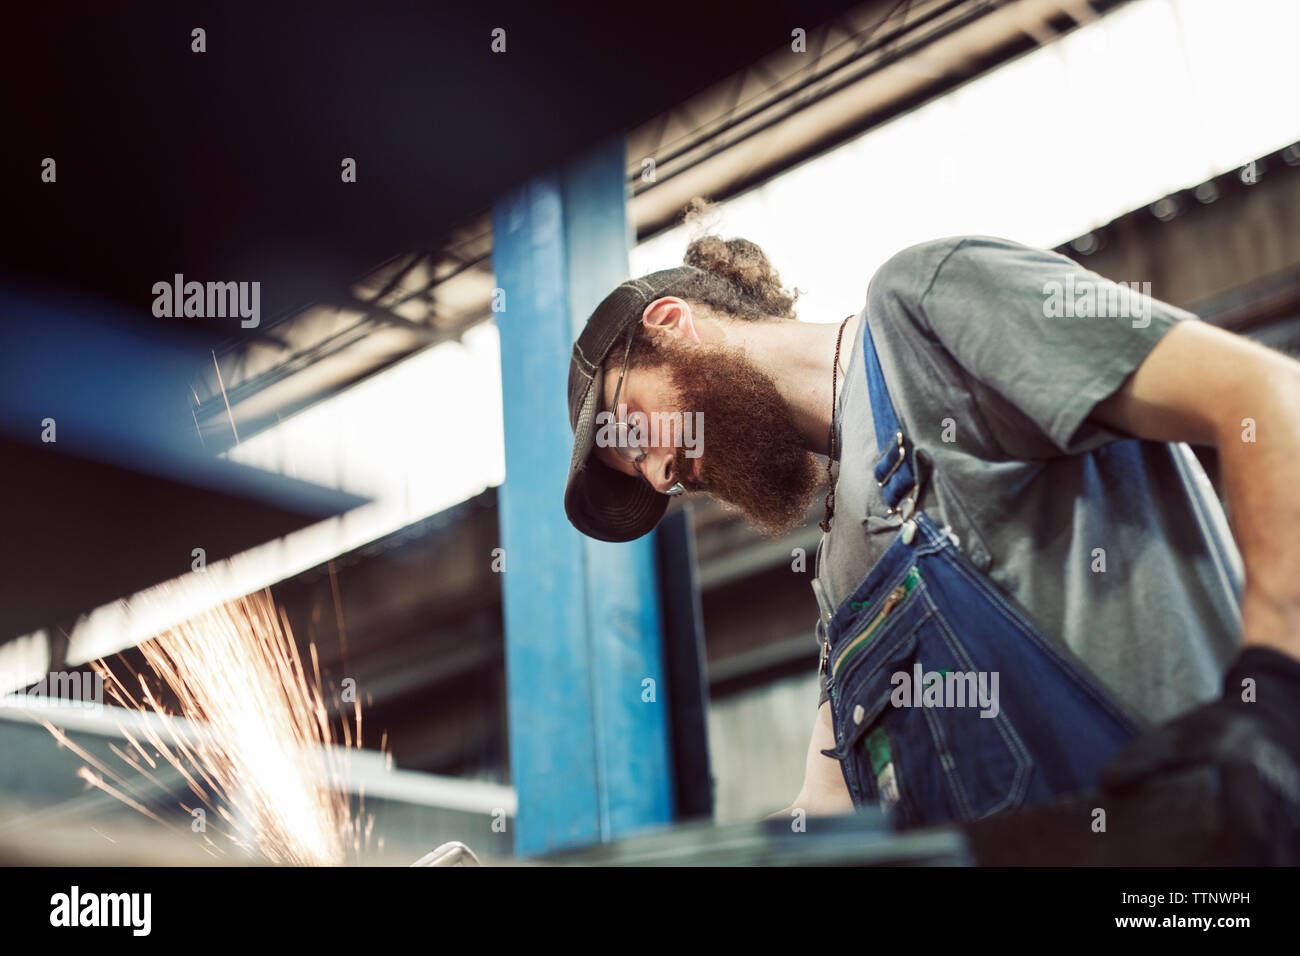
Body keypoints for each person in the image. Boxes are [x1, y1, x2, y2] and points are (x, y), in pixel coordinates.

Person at [562, 212, 1300, 828]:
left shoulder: (923, 310)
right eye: (643, 477)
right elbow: (824, 809)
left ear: (672, 324)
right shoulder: (837, 573)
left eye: (632, 431)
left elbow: (1263, 396)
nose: (663, 474)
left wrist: (1275, 701)